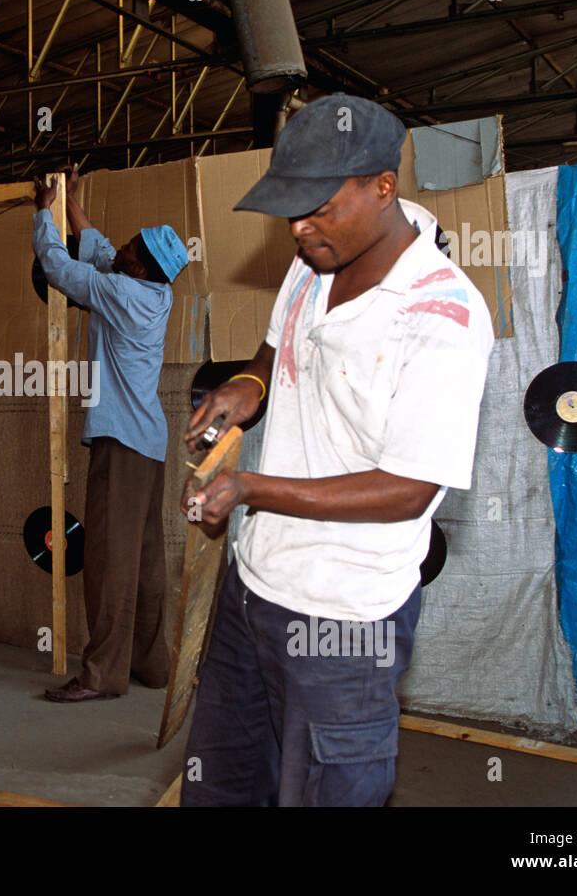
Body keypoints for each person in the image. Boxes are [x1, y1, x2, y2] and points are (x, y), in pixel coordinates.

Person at [178, 94, 494, 805]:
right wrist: (248, 385)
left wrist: (252, 489)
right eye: (291, 209)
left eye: (318, 207)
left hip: (342, 624)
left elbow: (407, 491)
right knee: (221, 785)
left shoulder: (441, 318)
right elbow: (274, 346)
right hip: (253, 588)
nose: (298, 227)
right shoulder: (313, 257)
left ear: (384, 186)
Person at [32, 167, 190, 702]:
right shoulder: (151, 291)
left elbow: (59, 267)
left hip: (121, 444)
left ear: (141, 266)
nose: (120, 247)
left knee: (107, 560)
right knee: (146, 559)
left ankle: (101, 675)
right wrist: (72, 202)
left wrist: (43, 213)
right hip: (149, 445)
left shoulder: (123, 294)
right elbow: (98, 250)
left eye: (130, 247)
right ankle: (152, 664)